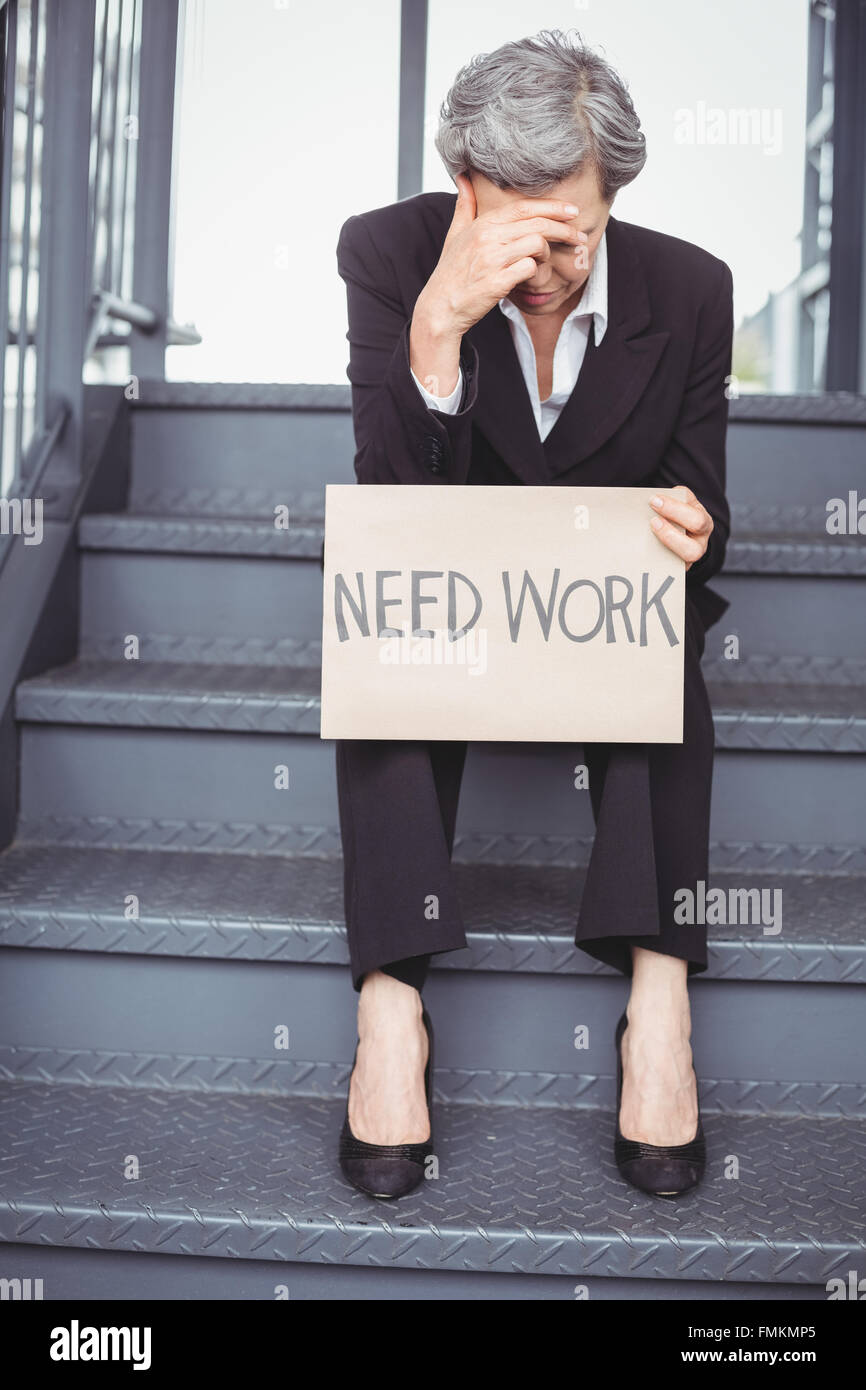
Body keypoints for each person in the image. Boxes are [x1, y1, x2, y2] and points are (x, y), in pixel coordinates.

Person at [333, 29, 733, 1201]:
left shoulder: (690, 289)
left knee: (667, 637)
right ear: (467, 189)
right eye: (524, 235)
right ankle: (390, 1010)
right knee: (380, 631)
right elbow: (394, 508)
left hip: (597, 617)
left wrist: (692, 524)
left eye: (581, 235)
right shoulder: (387, 252)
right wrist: (434, 329)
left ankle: (656, 1005)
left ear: (612, 196)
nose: (554, 268)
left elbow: (706, 503)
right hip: (447, 603)